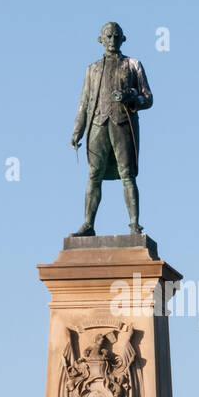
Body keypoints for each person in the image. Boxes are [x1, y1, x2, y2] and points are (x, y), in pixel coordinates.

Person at [70, 21, 153, 236]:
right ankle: (88, 224)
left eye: (116, 36)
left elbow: (148, 98)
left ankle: (134, 224)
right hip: (97, 124)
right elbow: (84, 102)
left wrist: (130, 98)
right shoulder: (92, 69)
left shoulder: (133, 65)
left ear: (123, 39)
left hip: (122, 124)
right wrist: (77, 131)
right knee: (93, 175)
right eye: (108, 36)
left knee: (128, 175)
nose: (112, 40)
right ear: (100, 40)